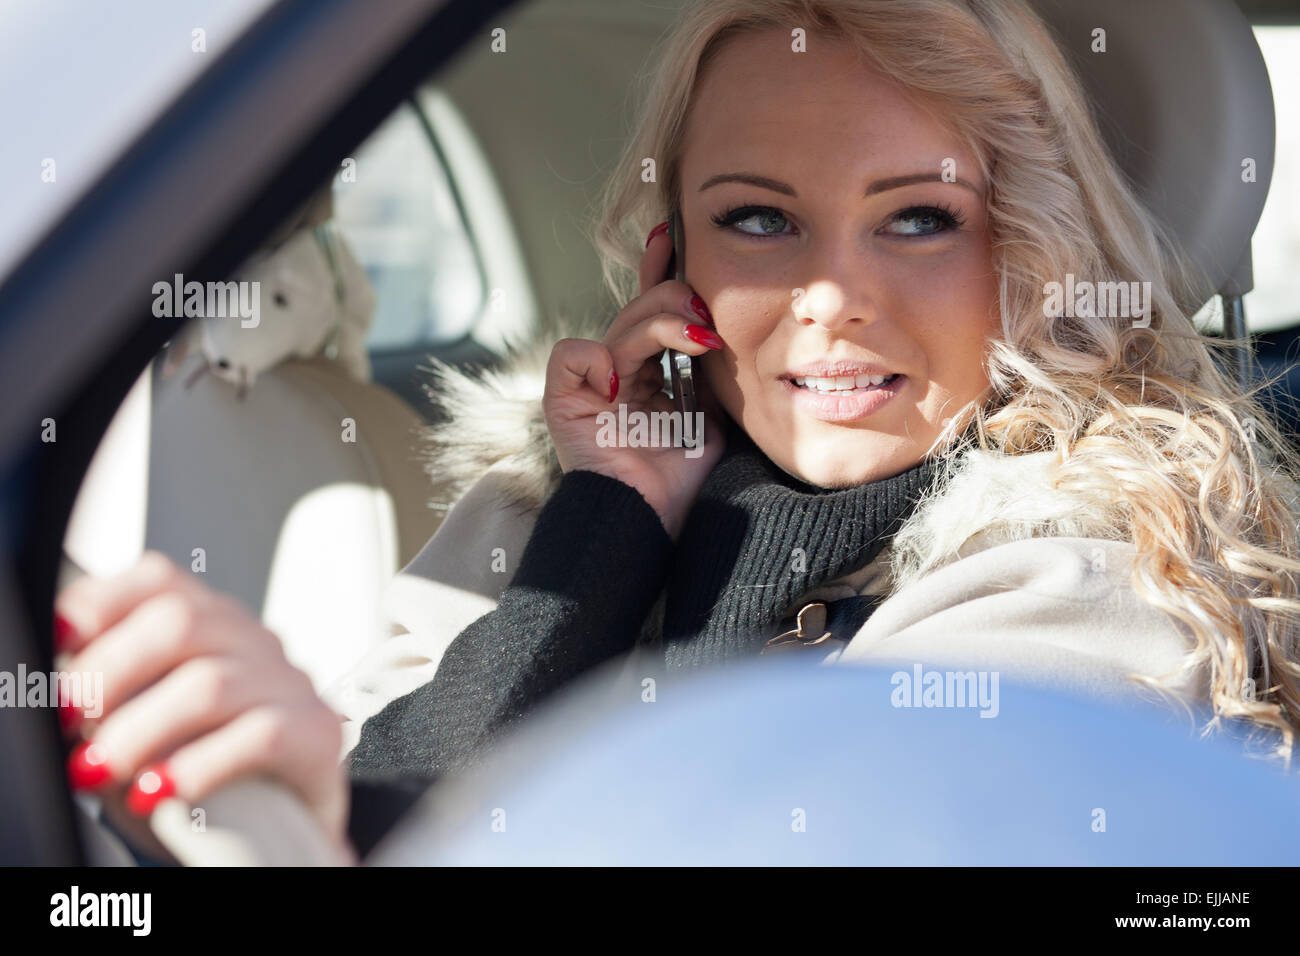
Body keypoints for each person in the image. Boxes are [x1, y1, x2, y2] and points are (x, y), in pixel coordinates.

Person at [53, 0, 1300, 862]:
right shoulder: (558, 501)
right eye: (758, 220)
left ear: (1027, 254)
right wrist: (608, 524)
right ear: (673, 258)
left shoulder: (1101, 568)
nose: (829, 298)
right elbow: (385, 791)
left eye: (917, 218)